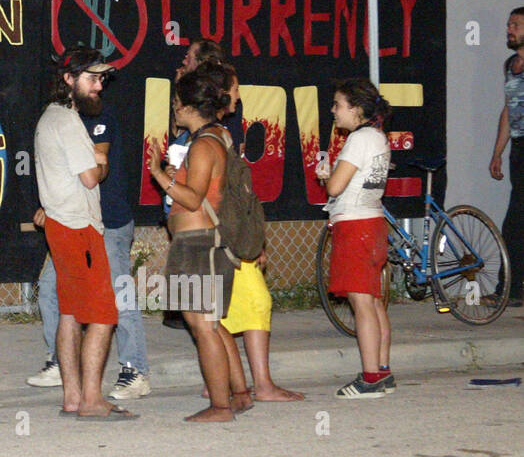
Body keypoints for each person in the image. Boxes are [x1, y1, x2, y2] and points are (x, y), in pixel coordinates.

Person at [29, 51, 149, 401]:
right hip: (76, 224)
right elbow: (89, 172)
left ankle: (134, 368)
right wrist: (50, 204)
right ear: (69, 79)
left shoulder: (96, 114)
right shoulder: (64, 119)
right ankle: (68, 374)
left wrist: (94, 166)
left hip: (106, 220)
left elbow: (96, 169)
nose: (100, 85)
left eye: (102, 79)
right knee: (60, 295)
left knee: (112, 298)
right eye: (92, 78)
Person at [148, 64, 238, 422]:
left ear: (188, 106)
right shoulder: (217, 136)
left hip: (199, 244)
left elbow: (192, 198)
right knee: (209, 325)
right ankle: (234, 397)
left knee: (203, 327)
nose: (173, 109)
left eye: (176, 103)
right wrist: (173, 177)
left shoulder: (204, 144)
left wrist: (157, 174)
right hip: (199, 243)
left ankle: (221, 406)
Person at [213, 61, 304, 404]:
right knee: (248, 304)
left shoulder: (218, 132)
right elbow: (229, 197)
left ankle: (223, 383)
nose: (239, 96)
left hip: (226, 237)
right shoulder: (215, 136)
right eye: (234, 90)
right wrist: (247, 239)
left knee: (222, 311)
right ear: (219, 93)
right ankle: (255, 386)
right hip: (226, 238)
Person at [318, 78, 394, 399]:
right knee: (374, 303)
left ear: (357, 109)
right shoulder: (377, 138)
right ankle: (383, 370)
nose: (333, 111)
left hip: (355, 226)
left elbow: (335, 188)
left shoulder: (359, 140)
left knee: (361, 303)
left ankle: (370, 377)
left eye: (338, 105)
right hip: (374, 223)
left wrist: (325, 175)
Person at [489, 7, 524, 307]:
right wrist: (497, 152)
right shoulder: (510, 64)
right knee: (516, 222)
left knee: (514, 222)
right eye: (508, 24)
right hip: (518, 149)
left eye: (515, 24)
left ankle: (510, 288)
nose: (509, 29)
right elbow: (508, 110)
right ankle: (513, 289)